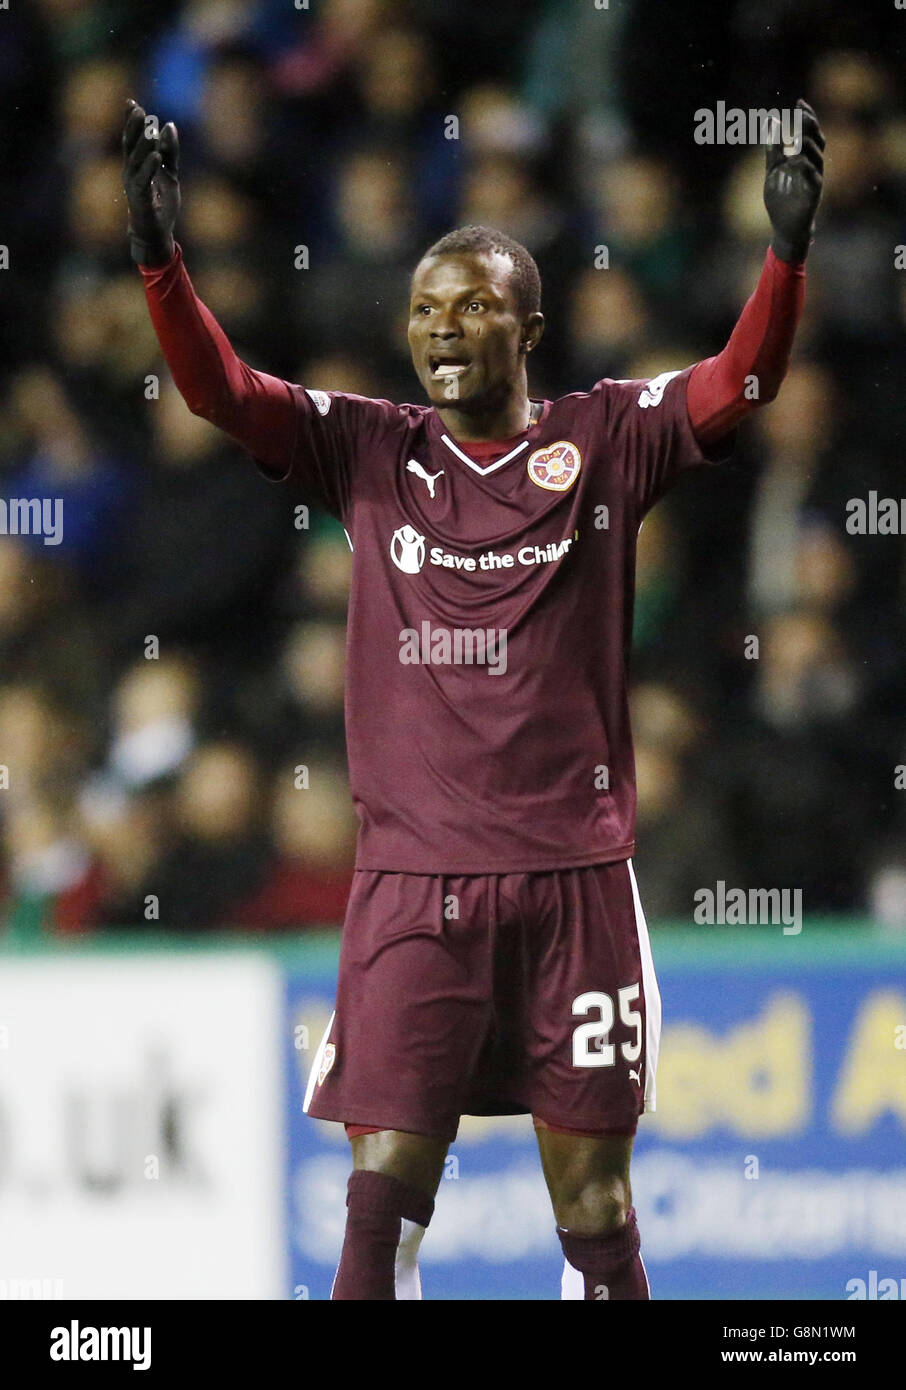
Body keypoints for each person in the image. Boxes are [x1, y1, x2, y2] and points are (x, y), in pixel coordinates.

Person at [122, 96, 824, 1299]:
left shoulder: (605, 438)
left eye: (475, 305)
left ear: (531, 327)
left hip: (573, 879)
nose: (444, 330)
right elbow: (222, 392)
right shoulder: (369, 450)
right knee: (382, 1195)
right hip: (411, 883)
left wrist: (786, 257)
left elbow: (736, 388)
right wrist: (159, 266)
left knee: (594, 1203)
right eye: (425, 312)